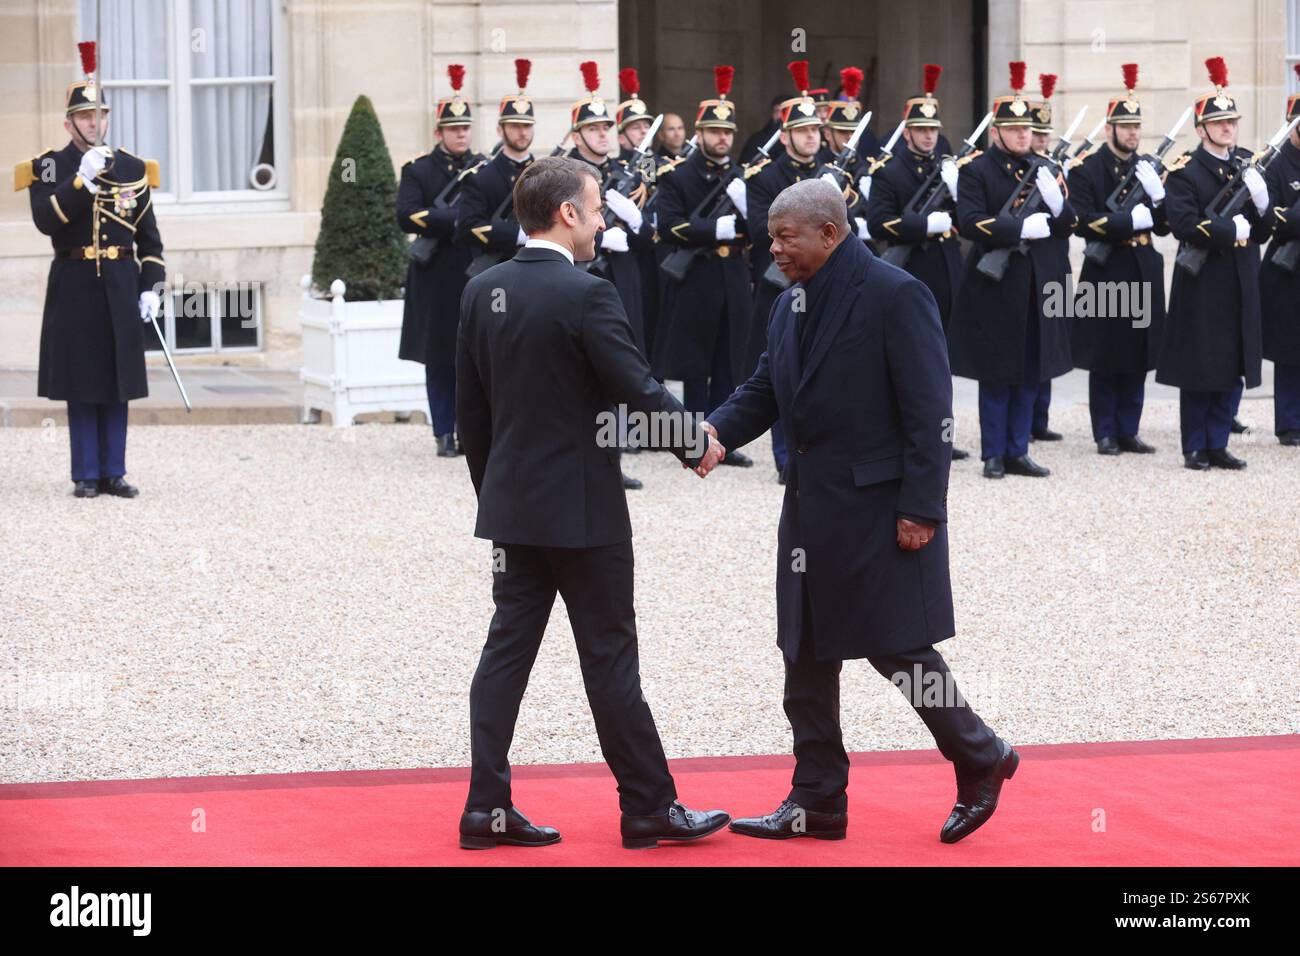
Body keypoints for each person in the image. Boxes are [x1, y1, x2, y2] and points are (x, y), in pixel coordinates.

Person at [701, 179, 1017, 845]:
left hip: (880, 509)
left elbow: (931, 411)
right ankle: (816, 799)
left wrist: (922, 508)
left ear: (829, 232)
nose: (774, 247)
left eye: (786, 236)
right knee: (805, 654)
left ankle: (979, 753)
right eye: (771, 235)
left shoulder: (896, 295)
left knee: (898, 649)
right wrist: (718, 434)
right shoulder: (788, 299)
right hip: (811, 511)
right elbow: (766, 383)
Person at [455, 156, 730, 850]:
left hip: (516, 510)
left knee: (504, 658)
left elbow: (473, 419)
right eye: (598, 206)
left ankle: (485, 808)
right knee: (609, 658)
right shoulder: (588, 293)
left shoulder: (482, 290)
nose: (605, 218)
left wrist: (499, 496)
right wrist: (693, 444)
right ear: (567, 214)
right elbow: (637, 386)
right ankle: (648, 807)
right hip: (584, 513)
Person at [19, 41, 165, 499]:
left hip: (120, 284)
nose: (94, 123)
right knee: (81, 377)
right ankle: (85, 472)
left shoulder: (133, 167)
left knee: (117, 376)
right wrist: (81, 177)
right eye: (85, 117)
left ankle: (114, 470)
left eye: (100, 115)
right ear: (69, 123)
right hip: (75, 282)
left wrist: (152, 287)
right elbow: (46, 221)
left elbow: (151, 242)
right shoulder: (49, 166)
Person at [947, 61, 1077, 479]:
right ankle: (993, 454)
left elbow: (1066, 222)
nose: (1024, 134)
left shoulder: (1046, 168)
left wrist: (1058, 207)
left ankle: (1018, 449)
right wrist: (1017, 227)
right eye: (1014, 129)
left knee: (1029, 369)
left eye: (1027, 129)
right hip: (995, 283)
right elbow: (969, 220)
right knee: (996, 371)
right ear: (996, 132)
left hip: (1035, 283)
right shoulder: (976, 170)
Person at [1156, 57, 1274, 470]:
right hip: (1203, 279)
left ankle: (1219, 440)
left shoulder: (1245, 165)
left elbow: (1261, 232)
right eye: (1219, 122)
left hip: (1240, 277)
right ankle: (1195, 445)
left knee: (1233, 362)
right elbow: (1184, 225)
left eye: (1232, 122)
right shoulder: (1186, 172)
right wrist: (1231, 230)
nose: (1228, 128)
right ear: (1202, 128)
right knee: (1201, 363)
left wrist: (1262, 203)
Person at [651, 64, 755, 467]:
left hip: (731, 277)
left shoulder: (741, 175)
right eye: (714, 131)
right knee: (695, 364)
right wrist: (716, 229)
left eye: (727, 132)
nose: (722, 138)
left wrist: (744, 212)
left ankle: (723, 437)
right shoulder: (677, 176)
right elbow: (670, 226)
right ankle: (691, 440)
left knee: (729, 360)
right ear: (699, 134)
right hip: (695, 278)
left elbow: (760, 226)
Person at [864, 63, 970, 459]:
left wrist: (959, 194)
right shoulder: (889, 172)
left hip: (945, 271)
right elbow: (879, 222)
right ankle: (901, 435)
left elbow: (970, 221)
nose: (928, 136)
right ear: (906, 132)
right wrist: (924, 224)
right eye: (921, 130)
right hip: (908, 274)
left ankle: (939, 435)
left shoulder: (948, 169)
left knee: (942, 359)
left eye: (933, 130)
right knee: (906, 357)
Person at [1069, 63, 1167, 455]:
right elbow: (1081, 221)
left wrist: (1158, 198)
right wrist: (1127, 220)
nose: (1132, 133)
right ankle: (1105, 431)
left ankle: (1129, 428)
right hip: (1107, 267)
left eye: (1136, 126)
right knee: (1106, 353)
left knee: (1139, 351)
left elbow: (1164, 225)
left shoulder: (1147, 168)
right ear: (1109, 128)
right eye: (1125, 126)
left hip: (1142, 264)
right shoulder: (1088, 169)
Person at [742, 61, 829, 482]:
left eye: (815, 130)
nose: (812, 136)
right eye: (804, 130)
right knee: (782, 366)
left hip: (828, 285)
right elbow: (761, 227)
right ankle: (784, 454)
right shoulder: (766, 176)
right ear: (787, 134)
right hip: (784, 281)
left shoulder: (830, 173)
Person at [568, 61, 651, 489]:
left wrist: (634, 225)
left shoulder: (628, 172)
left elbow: (653, 233)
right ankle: (576, 455)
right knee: (579, 367)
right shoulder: (563, 175)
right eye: (593, 128)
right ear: (577, 134)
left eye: (605, 127)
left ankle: (612, 459)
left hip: (621, 278)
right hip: (582, 277)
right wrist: (603, 240)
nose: (602, 133)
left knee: (619, 363)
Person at [397, 64, 485, 457]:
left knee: (475, 357)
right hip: (435, 275)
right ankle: (444, 432)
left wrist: (452, 221)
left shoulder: (483, 168)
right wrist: (458, 219)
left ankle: (471, 431)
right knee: (439, 357)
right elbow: (407, 215)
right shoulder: (419, 170)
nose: (461, 134)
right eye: (453, 129)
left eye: (465, 128)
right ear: (439, 133)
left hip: (473, 270)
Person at [455, 58, 536, 271]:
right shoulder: (481, 177)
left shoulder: (544, 173)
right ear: (500, 130)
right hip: (498, 271)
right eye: (515, 125)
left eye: (527, 125)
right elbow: (467, 227)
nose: (522, 132)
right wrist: (515, 235)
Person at [1027, 73, 1070, 443]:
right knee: (1029, 341)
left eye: (1045, 135)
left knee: (1050, 340)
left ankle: (1040, 417)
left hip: (1054, 261)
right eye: (1036, 135)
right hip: (1028, 261)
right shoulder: (1026, 169)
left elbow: (1067, 221)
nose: (1042, 141)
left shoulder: (1056, 169)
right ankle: (1027, 420)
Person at [1259, 67, 1300, 447]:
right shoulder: (1276, 164)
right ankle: (1289, 423)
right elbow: (1274, 218)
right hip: (1288, 270)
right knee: (1290, 351)